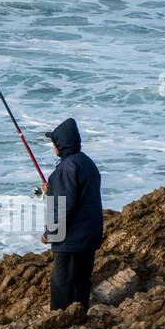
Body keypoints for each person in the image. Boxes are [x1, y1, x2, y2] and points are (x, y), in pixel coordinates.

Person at [39, 117, 103, 311]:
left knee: (61, 283)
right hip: (89, 235)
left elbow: (64, 206)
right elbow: (79, 194)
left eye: (53, 142)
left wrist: (49, 233)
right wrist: (52, 189)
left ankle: (60, 322)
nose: (52, 146)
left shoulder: (66, 168)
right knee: (81, 281)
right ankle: (79, 317)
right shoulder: (86, 163)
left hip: (70, 240)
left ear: (61, 144)